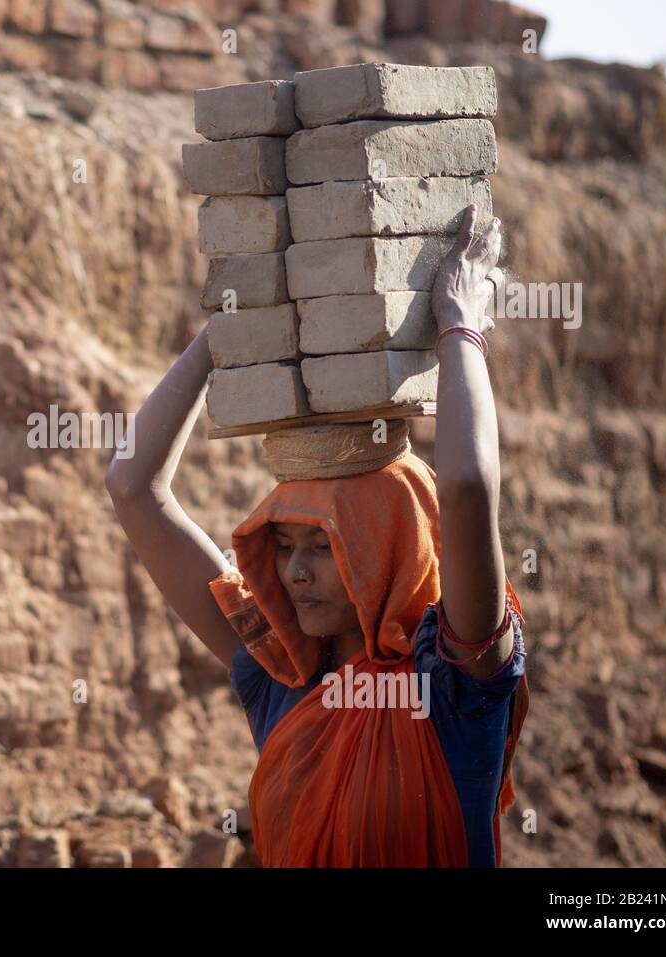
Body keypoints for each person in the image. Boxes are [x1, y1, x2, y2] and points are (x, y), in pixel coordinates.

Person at [106, 206, 530, 867]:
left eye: (323, 545)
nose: (294, 571)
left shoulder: (454, 682)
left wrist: (460, 327)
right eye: (284, 544)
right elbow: (134, 487)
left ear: (388, 544)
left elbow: (469, 489)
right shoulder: (283, 672)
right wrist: (227, 333)